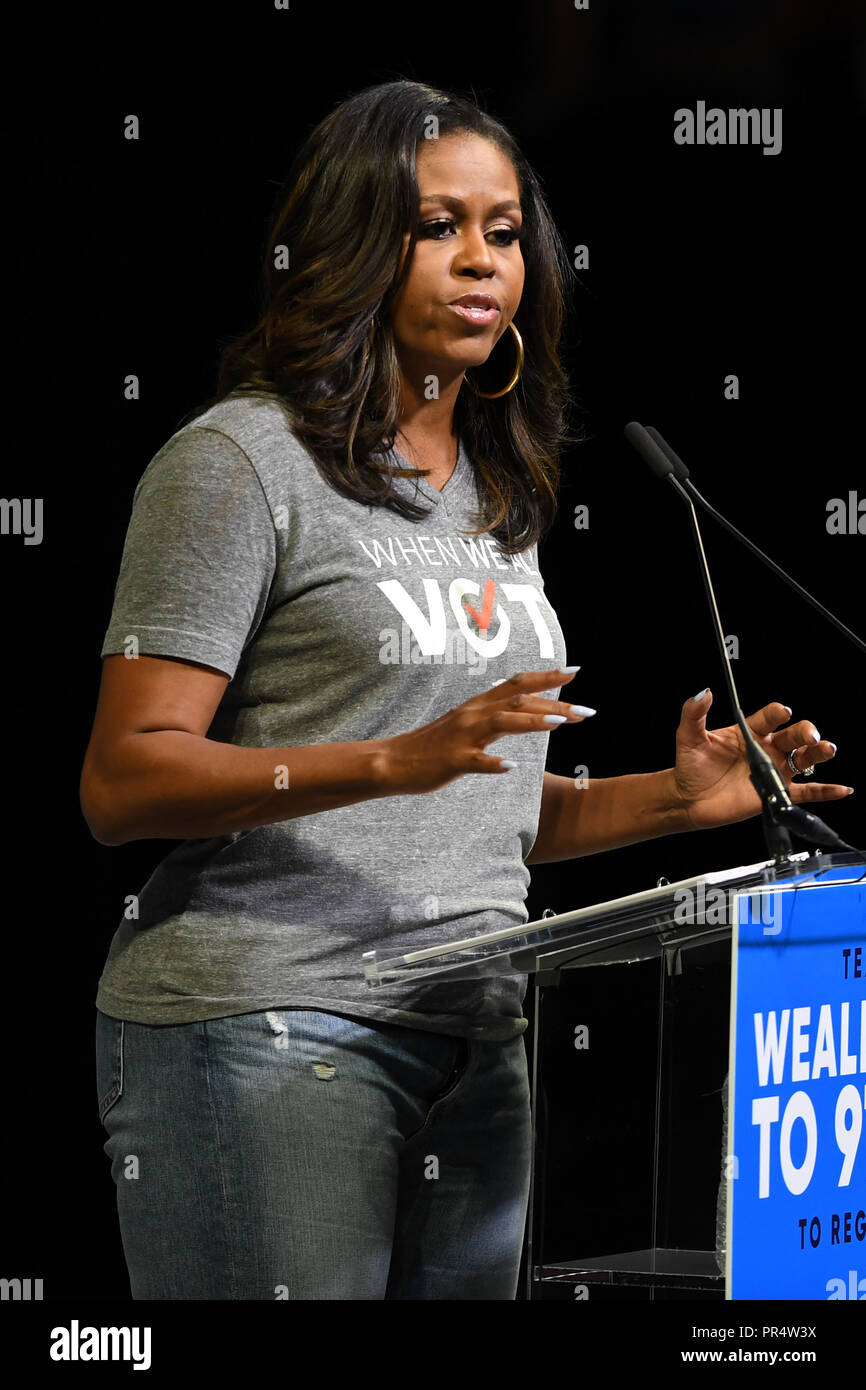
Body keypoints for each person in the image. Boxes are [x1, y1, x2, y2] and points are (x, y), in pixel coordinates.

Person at [80, 79, 848, 1301]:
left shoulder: (496, 498)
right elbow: (123, 782)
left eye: (501, 232)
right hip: (272, 1026)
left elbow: (474, 805)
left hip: (478, 1033)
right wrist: (384, 757)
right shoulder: (238, 462)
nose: (478, 261)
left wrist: (674, 799)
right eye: (435, 225)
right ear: (344, 244)